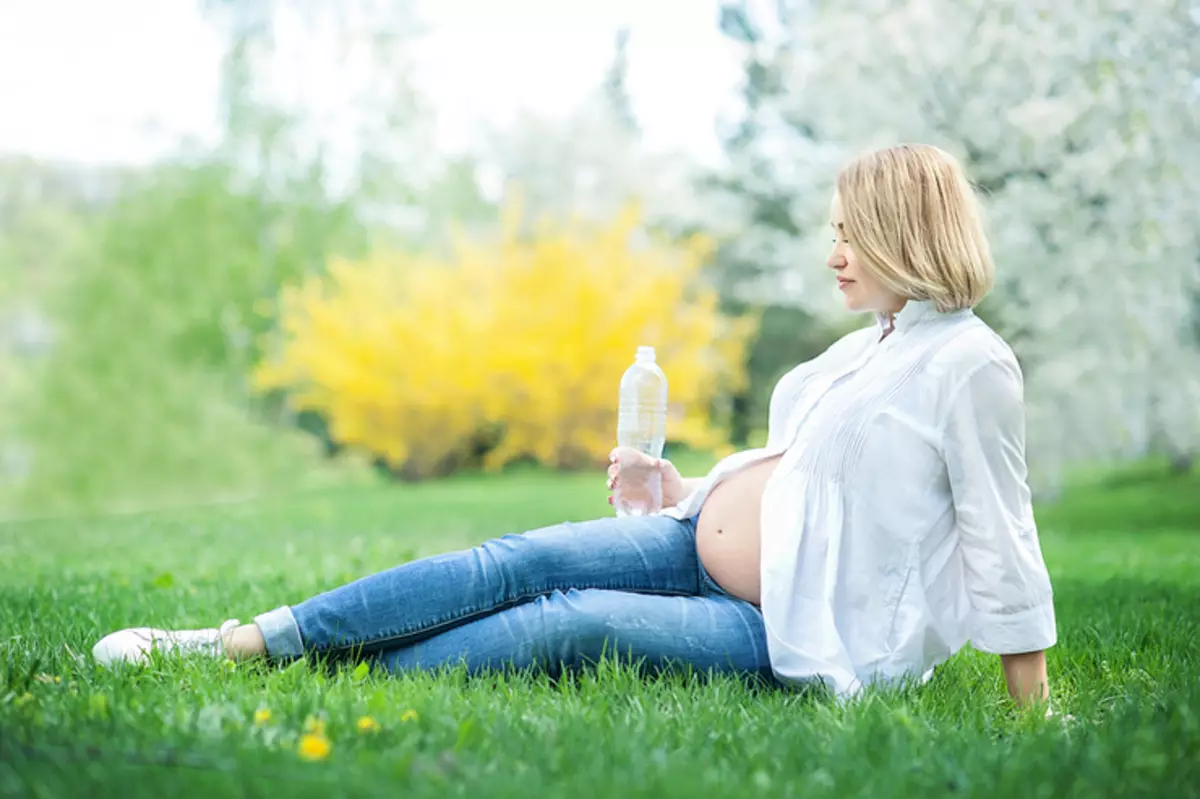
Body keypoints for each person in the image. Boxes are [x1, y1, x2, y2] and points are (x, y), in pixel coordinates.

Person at [93, 143, 1058, 708]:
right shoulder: (873, 343)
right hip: (689, 542)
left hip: (790, 630)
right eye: (835, 232)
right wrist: (684, 494)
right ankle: (243, 642)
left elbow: (1000, 535)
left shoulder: (970, 364)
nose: (835, 253)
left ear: (909, 232)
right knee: (512, 559)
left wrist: (1030, 708)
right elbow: (809, 479)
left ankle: (328, 672)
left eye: (853, 232)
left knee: (572, 622)